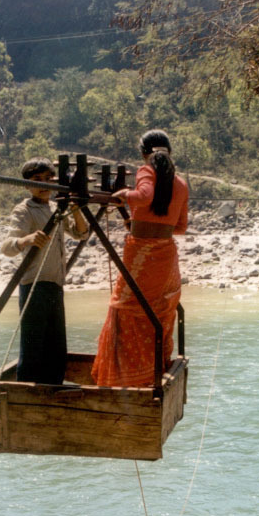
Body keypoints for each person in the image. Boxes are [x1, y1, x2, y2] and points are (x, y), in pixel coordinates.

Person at [91, 130, 189, 387]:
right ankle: (151, 372)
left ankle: (119, 377)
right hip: (166, 255)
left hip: (142, 255)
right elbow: (180, 226)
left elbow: (144, 196)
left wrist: (124, 194)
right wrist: (154, 222)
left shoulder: (146, 171)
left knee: (123, 308)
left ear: (145, 153)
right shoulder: (180, 183)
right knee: (158, 311)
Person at [1, 157, 89, 384]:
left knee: (57, 346)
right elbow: (7, 247)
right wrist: (26, 239)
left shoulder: (56, 208)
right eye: (38, 180)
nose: (44, 185)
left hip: (55, 285)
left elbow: (82, 233)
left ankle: (53, 389)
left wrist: (75, 209)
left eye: (49, 180)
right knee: (32, 347)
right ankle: (26, 393)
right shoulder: (25, 210)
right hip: (33, 287)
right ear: (27, 185)